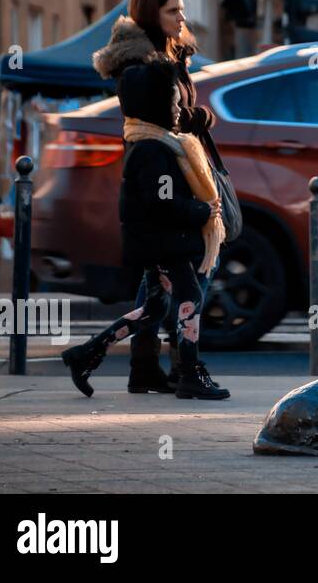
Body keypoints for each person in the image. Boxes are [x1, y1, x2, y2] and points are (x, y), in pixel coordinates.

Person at [60, 60, 229, 399]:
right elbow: (162, 203)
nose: (180, 107)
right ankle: (190, 374)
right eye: (173, 101)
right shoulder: (155, 150)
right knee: (191, 297)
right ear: (155, 106)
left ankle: (86, 353)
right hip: (164, 243)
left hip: (157, 242)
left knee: (155, 309)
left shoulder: (154, 145)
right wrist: (202, 210)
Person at [92, 0, 224, 393]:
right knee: (183, 278)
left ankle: (146, 366)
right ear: (152, 14)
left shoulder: (170, 55)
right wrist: (191, 121)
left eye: (182, 10)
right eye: (172, 11)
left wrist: (193, 118)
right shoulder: (142, 68)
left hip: (180, 166)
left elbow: (173, 114)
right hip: (165, 175)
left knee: (160, 282)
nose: (182, 17)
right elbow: (153, 123)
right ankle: (182, 368)